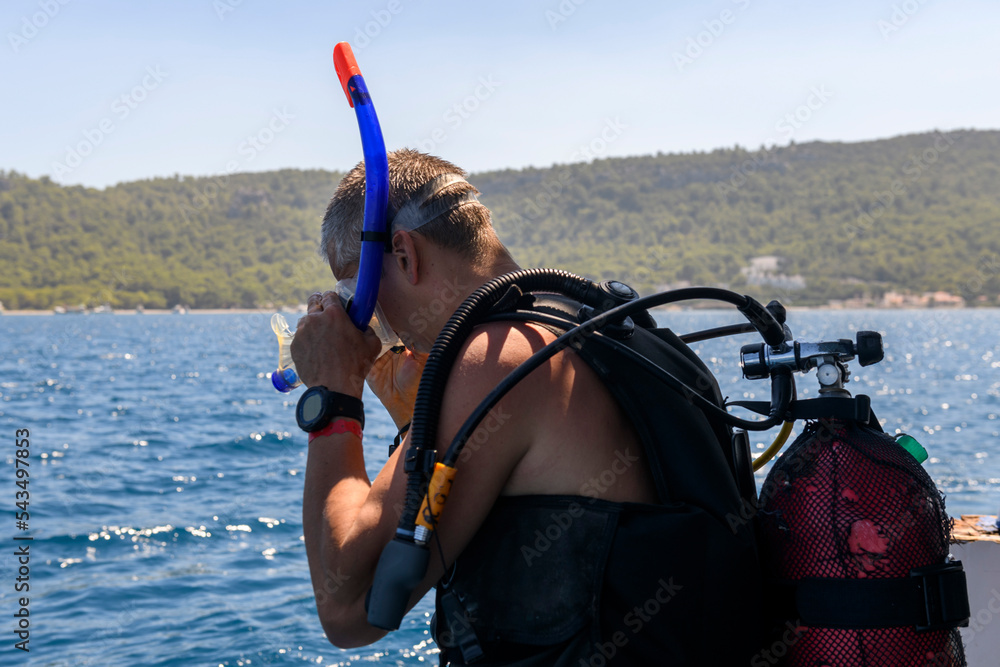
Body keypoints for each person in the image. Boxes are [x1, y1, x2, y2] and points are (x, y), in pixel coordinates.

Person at [291, 149, 762, 665]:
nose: (362, 318)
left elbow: (347, 610)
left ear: (403, 254)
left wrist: (334, 395)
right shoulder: (587, 326)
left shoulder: (494, 362)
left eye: (354, 290)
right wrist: (413, 419)